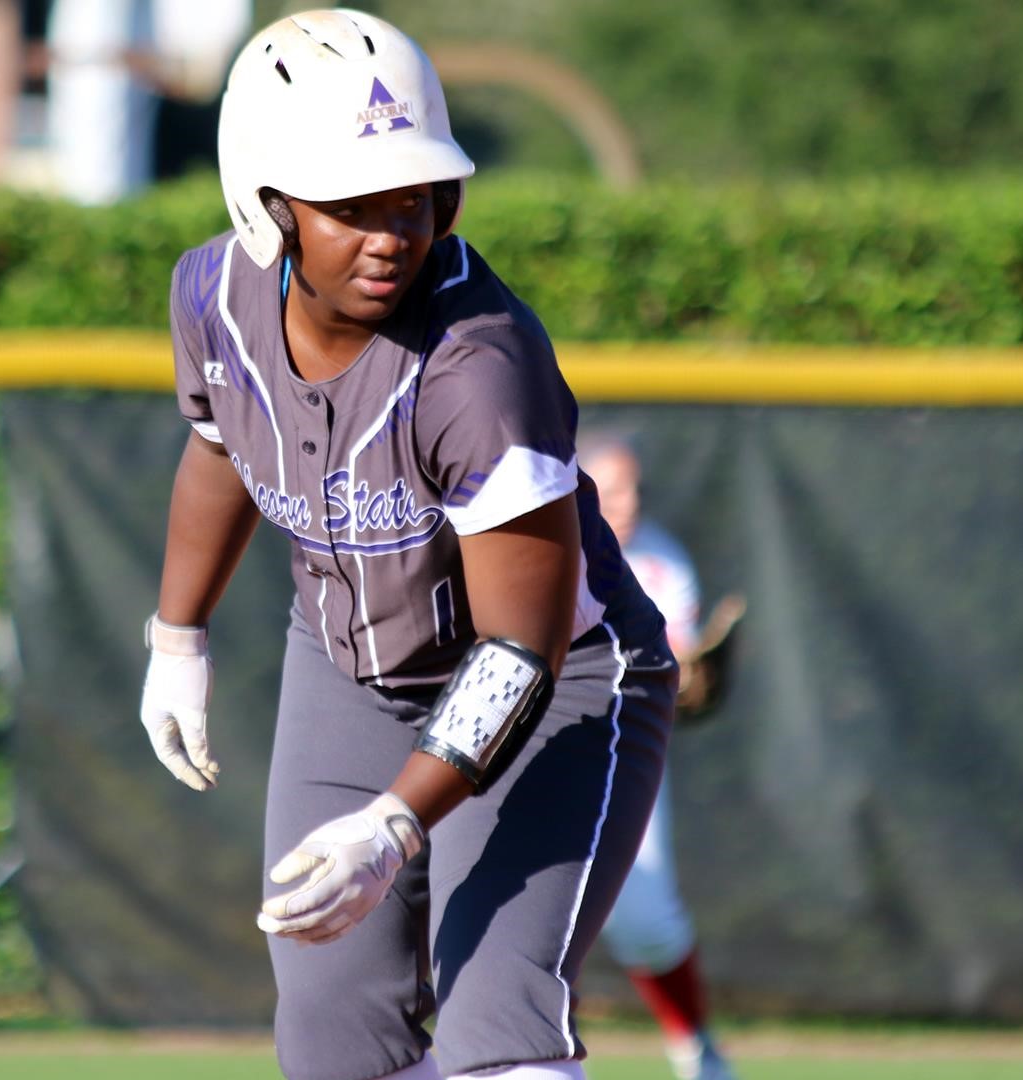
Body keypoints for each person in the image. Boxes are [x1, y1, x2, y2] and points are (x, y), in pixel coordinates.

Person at [135, 11, 680, 1080]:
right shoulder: (214, 295)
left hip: (556, 689)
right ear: (268, 203)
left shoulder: (479, 367)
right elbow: (218, 447)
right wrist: (176, 636)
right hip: (350, 668)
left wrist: (393, 825)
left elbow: (519, 650)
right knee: (334, 1039)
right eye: (351, 204)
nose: (393, 230)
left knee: (497, 1030)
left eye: (417, 195)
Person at [580, 435, 740, 1080]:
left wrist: (685, 671)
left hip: (622, 752)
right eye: (612, 488)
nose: (628, 501)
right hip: (523, 748)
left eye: (634, 488)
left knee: (645, 920)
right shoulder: (535, 534)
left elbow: (676, 664)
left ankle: (696, 1044)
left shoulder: (659, 560)